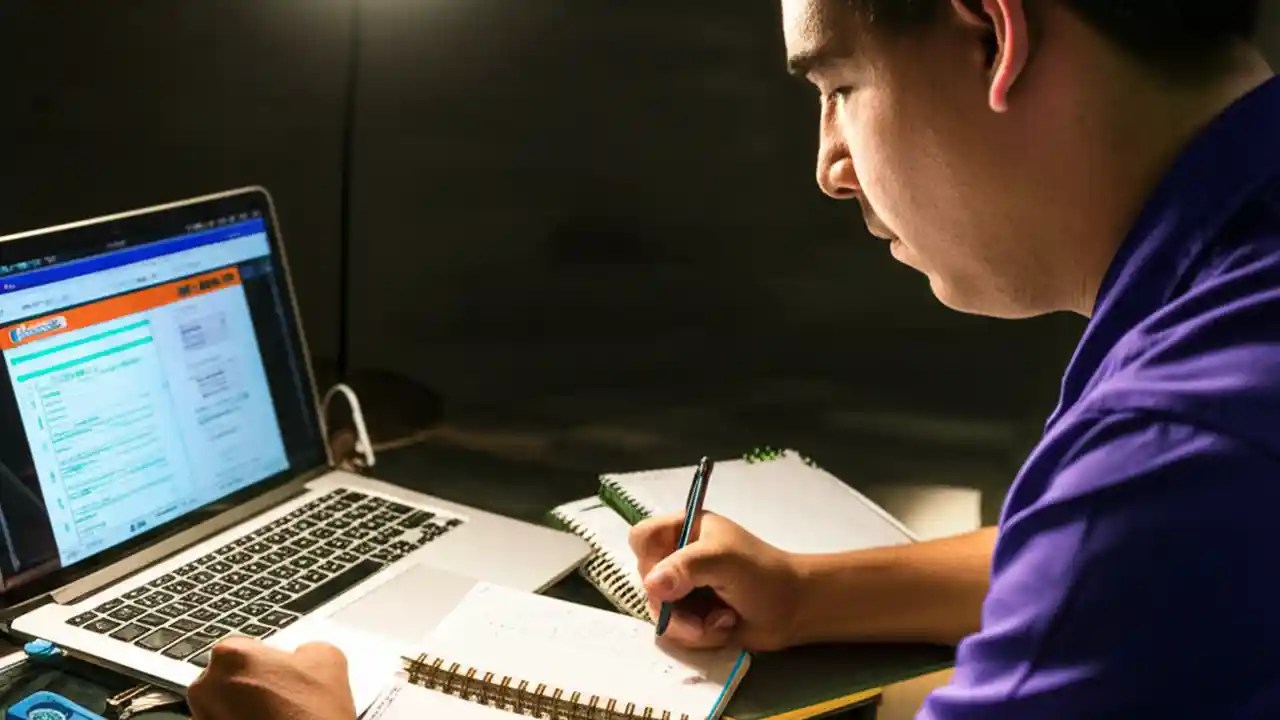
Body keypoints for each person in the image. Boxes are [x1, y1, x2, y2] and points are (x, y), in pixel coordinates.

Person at [187, 0, 1279, 718]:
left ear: (992, 36)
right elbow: (1102, 558)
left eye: (837, 86)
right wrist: (812, 594)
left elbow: (1129, 529)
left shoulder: (1175, 445)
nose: (829, 166)